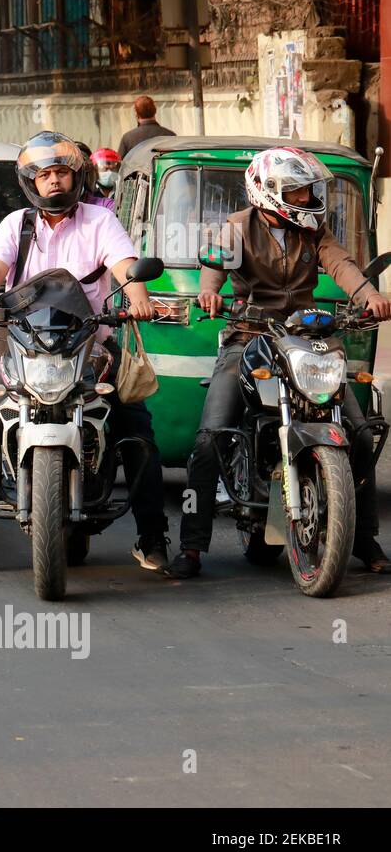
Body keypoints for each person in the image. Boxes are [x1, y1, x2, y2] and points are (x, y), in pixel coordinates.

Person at [165, 146, 391, 578]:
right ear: (269, 192)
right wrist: (210, 292)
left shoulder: (313, 230)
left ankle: (361, 536)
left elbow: (341, 264)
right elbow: (214, 264)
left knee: (359, 433)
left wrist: (370, 296)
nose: (307, 197)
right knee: (210, 436)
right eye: (299, 191)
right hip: (249, 336)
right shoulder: (235, 228)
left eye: (308, 190)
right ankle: (192, 547)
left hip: (306, 337)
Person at [0, 131, 169, 573]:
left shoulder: (99, 221)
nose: (54, 182)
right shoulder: (16, 224)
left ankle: (151, 536)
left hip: (90, 345)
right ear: (32, 181)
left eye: (62, 173)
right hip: (23, 348)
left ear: (78, 177)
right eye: (46, 174)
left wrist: (139, 293)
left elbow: (124, 264)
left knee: (138, 431)